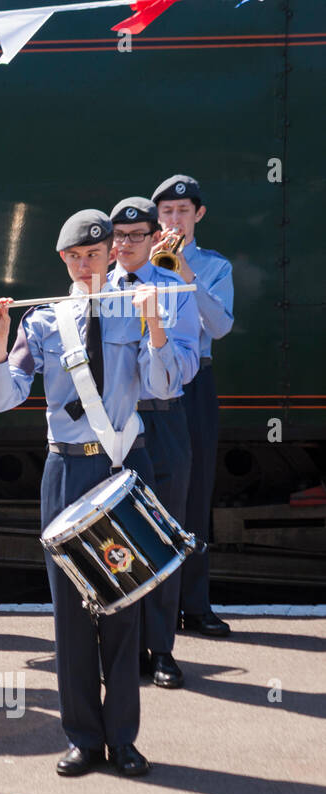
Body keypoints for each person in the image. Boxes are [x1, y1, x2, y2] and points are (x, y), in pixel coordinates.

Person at [0, 209, 185, 778]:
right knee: (71, 612)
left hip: (122, 465)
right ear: (64, 261)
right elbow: (3, 398)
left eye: (95, 254)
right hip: (66, 473)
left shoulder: (136, 308)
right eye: (75, 256)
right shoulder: (45, 321)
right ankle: (82, 738)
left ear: (111, 255)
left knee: (123, 603)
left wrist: (155, 328)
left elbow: (167, 386)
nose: (86, 263)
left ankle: (123, 738)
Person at [104, 197, 200, 689]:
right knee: (117, 536)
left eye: (134, 236)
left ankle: (160, 649)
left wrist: (155, 331)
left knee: (164, 537)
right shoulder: (100, 290)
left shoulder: (175, 288)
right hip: (114, 423)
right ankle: (122, 646)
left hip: (160, 422)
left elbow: (185, 366)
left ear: (154, 237)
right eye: (116, 237)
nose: (122, 245)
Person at [152, 173, 235, 638]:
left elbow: (219, 327)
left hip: (195, 381)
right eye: (166, 211)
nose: (175, 219)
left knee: (197, 492)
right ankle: (152, 607)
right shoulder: (141, 261)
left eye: (183, 210)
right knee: (153, 490)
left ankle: (195, 605)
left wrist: (186, 272)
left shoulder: (215, 266)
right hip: (152, 381)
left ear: (198, 214)